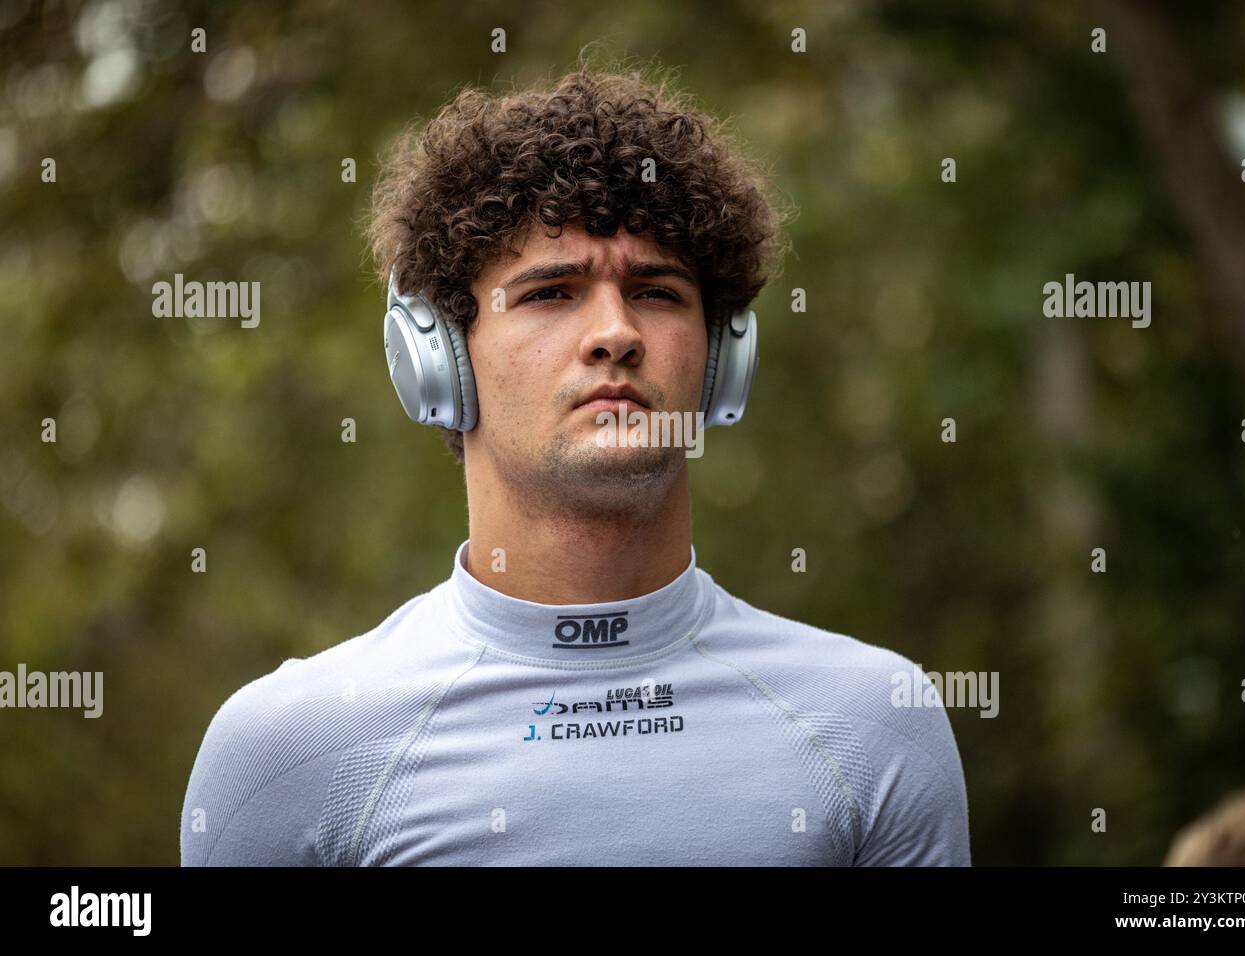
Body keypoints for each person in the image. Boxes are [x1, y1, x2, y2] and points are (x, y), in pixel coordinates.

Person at [180, 60, 971, 866]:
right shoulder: (290, 752)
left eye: (658, 292)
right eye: (551, 292)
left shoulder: (872, 721)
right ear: (440, 361)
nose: (616, 332)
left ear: (723, 360)